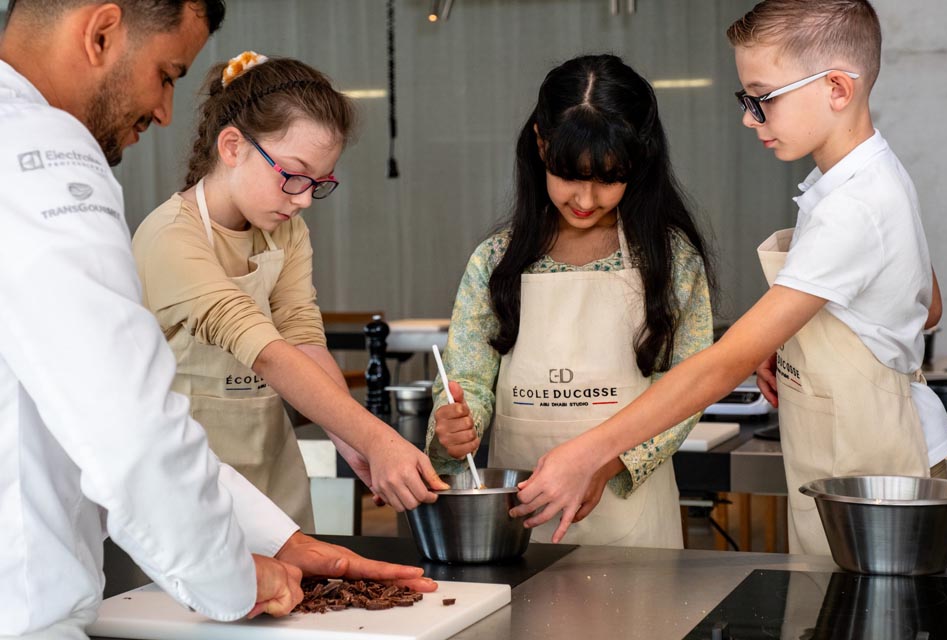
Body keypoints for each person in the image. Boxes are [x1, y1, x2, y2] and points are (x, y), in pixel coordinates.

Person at [0, 2, 434, 638]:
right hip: (47, 590)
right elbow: (134, 430)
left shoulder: (283, 235)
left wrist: (284, 534)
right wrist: (230, 569)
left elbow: (294, 340)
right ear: (100, 33)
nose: (165, 110)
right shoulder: (45, 157)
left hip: (208, 509)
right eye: (168, 72)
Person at [509, 0, 947, 554]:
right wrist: (799, 336)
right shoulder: (867, 177)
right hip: (854, 463)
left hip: (873, 470)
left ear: (837, 89)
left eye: (763, 98)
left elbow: (725, 363)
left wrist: (588, 452)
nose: (749, 117)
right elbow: (926, 305)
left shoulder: (855, 207)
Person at [132, 52, 448, 529]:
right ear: (233, 147)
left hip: (273, 476)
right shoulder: (169, 238)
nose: (302, 200)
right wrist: (378, 438)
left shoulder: (285, 232)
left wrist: (350, 441)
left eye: (317, 183)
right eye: (292, 176)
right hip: (186, 486)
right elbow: (264, 350)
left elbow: (302, 338)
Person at [425, 54, 714, 548]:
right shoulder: (496, 261)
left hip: (632, 517)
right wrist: (455, 424)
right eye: (569, 175)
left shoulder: (671, 261)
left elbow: (688, 387)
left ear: (638, 161)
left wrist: (607, 464)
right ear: (541, 145)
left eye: (607, 179)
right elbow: (467, 378)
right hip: (521, 518)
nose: (585, 198)